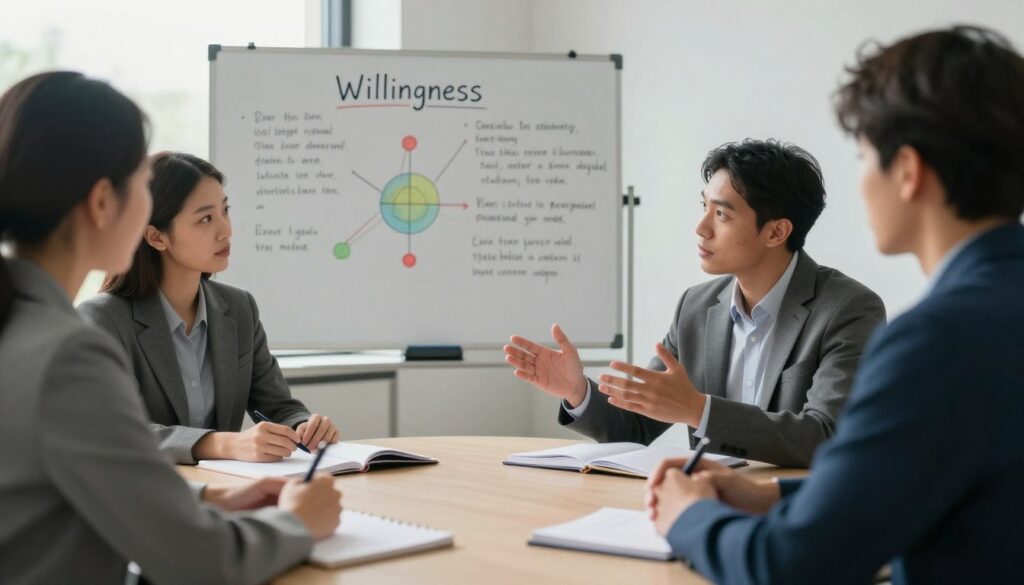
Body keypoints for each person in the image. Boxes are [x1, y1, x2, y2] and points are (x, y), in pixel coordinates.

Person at [646, 25, 1024, 585]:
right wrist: (771, 493)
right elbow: (931, 480)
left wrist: (689, 516)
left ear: (908, 172)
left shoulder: (936, 340)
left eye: (865, 154)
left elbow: (789, 565)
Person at [0, 71, 342, 584]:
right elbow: (201, 563)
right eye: (140, 183)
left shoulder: (21, 326)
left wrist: (216, 497)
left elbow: (84, 486)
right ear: (101, 203)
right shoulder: (69, 351)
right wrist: (297, 522)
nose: (224, 229)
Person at [505, 139, 885, 466]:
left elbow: (825, 436)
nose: (701, 228)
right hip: (705, 504)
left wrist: (699, 410)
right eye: (704, 207)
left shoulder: (848, 309)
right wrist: (578, 391)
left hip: (795, 515)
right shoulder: (696, 307)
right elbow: (637, 426)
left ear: (776, 232)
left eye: (721, 213)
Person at [79, 152, 340, 464]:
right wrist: (222, 445)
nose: (225, 230)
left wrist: (303, 426)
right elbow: (115, 432)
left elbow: (278, 406)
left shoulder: (239, 308)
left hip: (226, 492)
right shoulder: (103, 319)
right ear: (156, 236)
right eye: (205, 219)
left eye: (225, 211)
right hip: (144, 497)